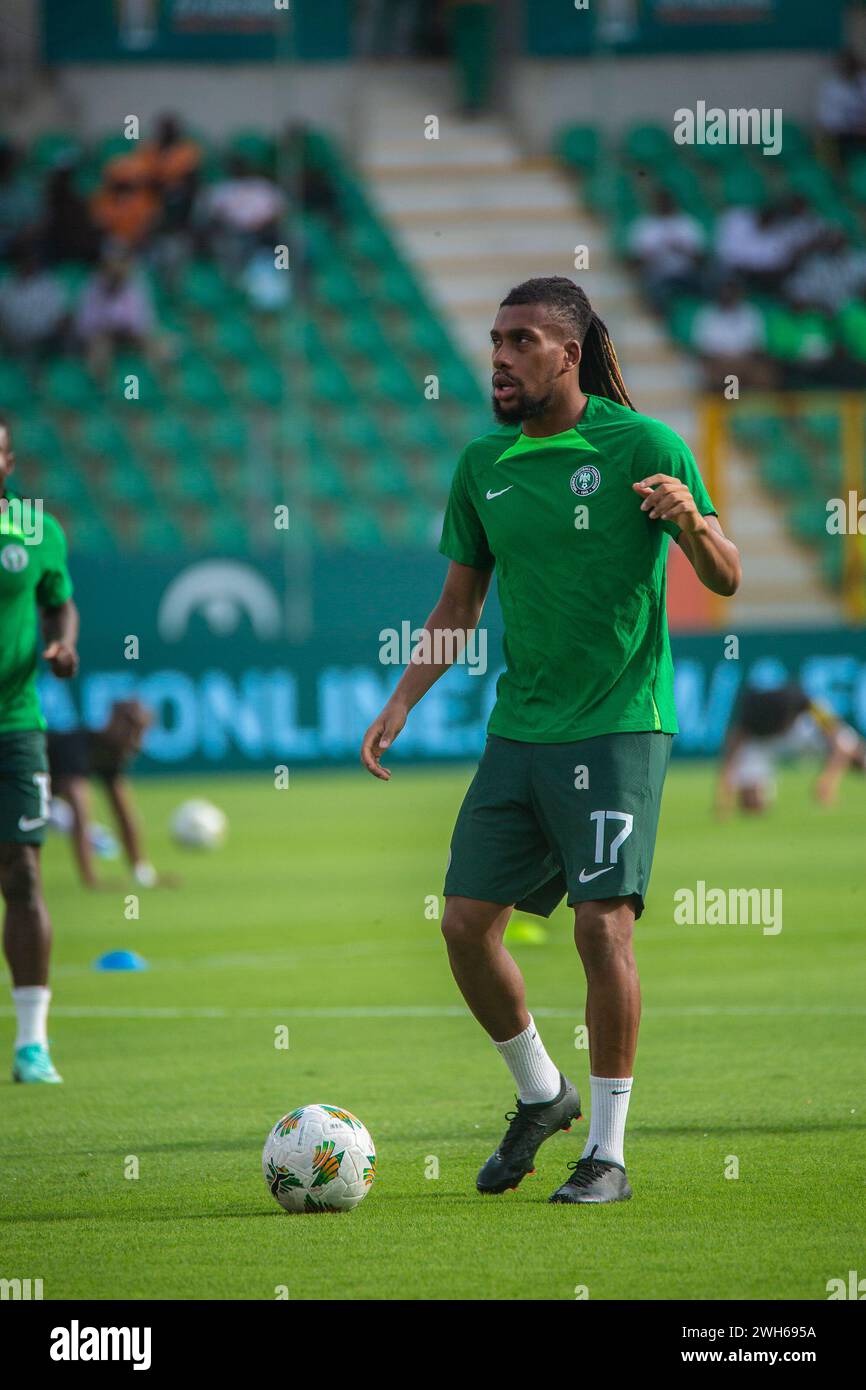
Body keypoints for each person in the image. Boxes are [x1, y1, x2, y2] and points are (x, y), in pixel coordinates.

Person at [360, 276, 740, 1204]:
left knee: (600, 925)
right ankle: (543, 1093)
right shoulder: (483, 464)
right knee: (461, 925)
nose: (500, 356)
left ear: (568, 353)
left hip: (618, 725)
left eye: (522, 340)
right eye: (495, 339)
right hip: (518, 729)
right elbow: (459, 604)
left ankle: (606, 1152)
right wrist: (402, 700)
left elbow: (726, 575)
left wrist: (689, 522)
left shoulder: (644, 445)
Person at [0, 413, 79, 1084]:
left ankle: (32, 1044)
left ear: (8, 462)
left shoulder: (35, 531)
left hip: (15, 727)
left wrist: (63, 643)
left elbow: (59, 603)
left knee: (23, 873)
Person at [46, 701, 170, 890]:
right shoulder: (76, 748)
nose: (138, 742)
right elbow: (80, 815)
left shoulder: (111, 755)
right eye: (133, 731)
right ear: (113, 723)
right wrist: (91, 879)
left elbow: (124, 814)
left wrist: (143, 874)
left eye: (141, 733)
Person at [716, 682, 866, 816]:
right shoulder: (753, 716)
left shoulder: (802, 702)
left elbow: (840, 742)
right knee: (752, 806)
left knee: (852, 748)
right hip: (766, 744)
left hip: (802, 733)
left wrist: (827, 780)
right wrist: (725, 796)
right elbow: (731, 755)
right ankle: (758, 795)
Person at [627, 190, 707, 313]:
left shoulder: (686, 224)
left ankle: (704, 312)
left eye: (666, 201)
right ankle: (659, 317)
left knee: (707, 280)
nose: (664, 204)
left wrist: (682, 249)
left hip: (686, 272)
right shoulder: (645, 225)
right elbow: (634, 261)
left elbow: (702, 258)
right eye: (660, 201)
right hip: (658, 273)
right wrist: (651, 255)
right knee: (653, 285)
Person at [75, 254, 157, 374]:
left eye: (119, 270)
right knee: (99, 350)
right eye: (111, 270)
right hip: (101, 338)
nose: (115, 274)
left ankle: (162, 390)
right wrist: (107, 328)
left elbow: (144, 323)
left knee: (159, 348)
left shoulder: (136, 288)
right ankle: (105, 390)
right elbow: (84, 325)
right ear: (104, 271)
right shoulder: (91, 289)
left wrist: (127, 329)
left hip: (130, 337)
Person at [690, 279, 776, 389]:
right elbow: (701, 345)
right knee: (707, 374)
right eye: (724, 294)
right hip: (717, 362)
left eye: (731, 293)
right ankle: (720, 403)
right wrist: (726, 360)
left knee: (764, 374)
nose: (727, 297)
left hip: (746, 361)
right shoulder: (706, 314)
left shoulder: (751, 312)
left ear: (739, 294)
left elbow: (758, 343)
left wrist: (739, 360)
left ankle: (752, 404)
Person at [0, 240, 69, 359]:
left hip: (45, 344)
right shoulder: (5, 287)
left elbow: (62, 319)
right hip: (13, 343)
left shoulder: (50, 284)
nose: (28, 262)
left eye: (31, 258)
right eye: (23, 258)